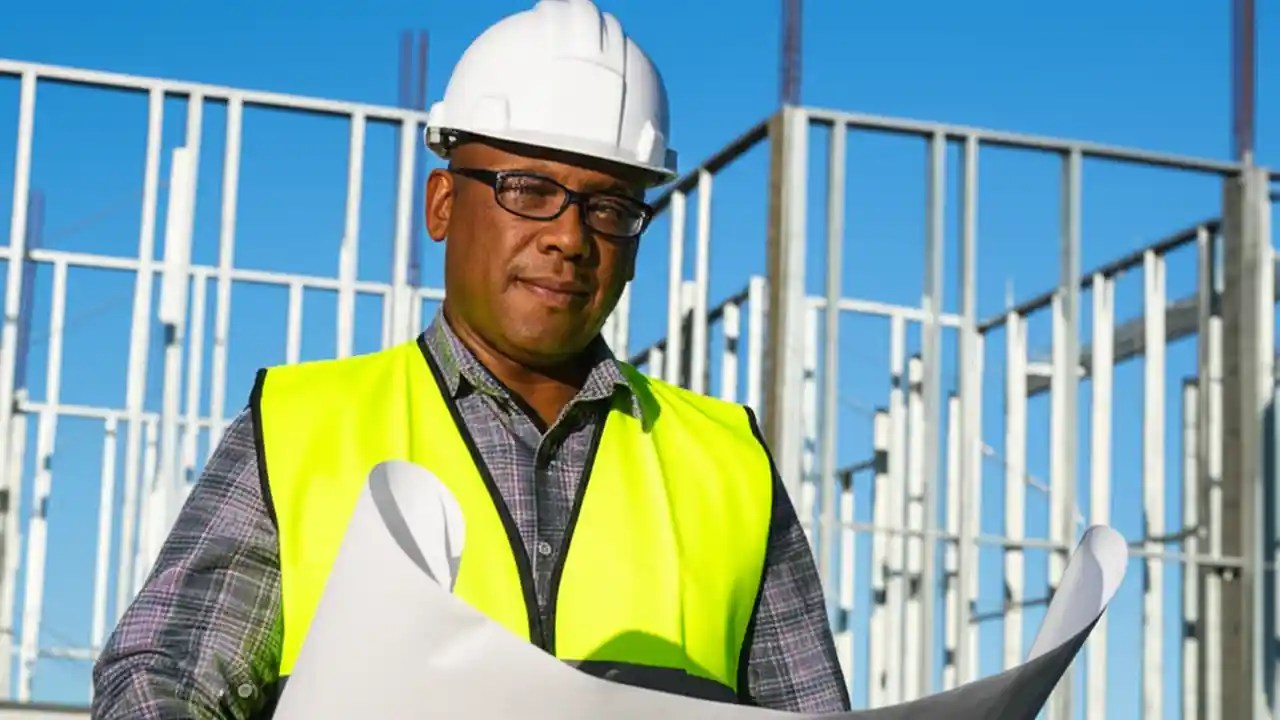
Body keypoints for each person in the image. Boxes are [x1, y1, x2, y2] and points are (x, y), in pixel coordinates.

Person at [91, 0, 850, 716]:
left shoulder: (728, 465)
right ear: (443, 206)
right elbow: (165, 672)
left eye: (610, 206)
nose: (570, 237)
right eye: (529, 189)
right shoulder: (299, 430)